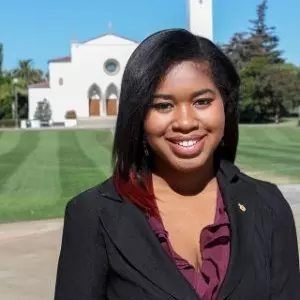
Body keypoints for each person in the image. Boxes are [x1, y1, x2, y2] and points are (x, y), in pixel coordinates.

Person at [54, 29, 300, 300]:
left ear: (225, 105)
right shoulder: (92, 214)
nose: (185, 122)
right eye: (163, 105)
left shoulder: (267, 204)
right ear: (138, 116)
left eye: (202, 101)